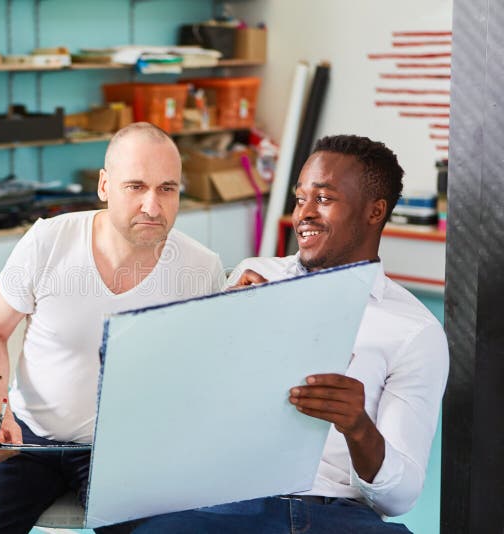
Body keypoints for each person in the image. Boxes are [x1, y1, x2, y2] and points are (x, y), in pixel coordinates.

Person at [133, 135, 450, 533]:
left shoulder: (413, 331)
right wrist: (214, 329)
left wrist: (357, 426)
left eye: (324, 198)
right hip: (225, 502)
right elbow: (183, 409)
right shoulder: (254, 278)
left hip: (334, 511)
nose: (305, 214)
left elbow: (399, 498)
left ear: (375, 211)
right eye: (301, 199)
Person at [0, 122, 225, 534]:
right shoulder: (49, 242)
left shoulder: (200, 269)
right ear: (104, 186)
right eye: (136, 187)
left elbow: (209, 375)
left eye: (167, 189)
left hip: (127, 450)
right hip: (28, 437)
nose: (153, 205)